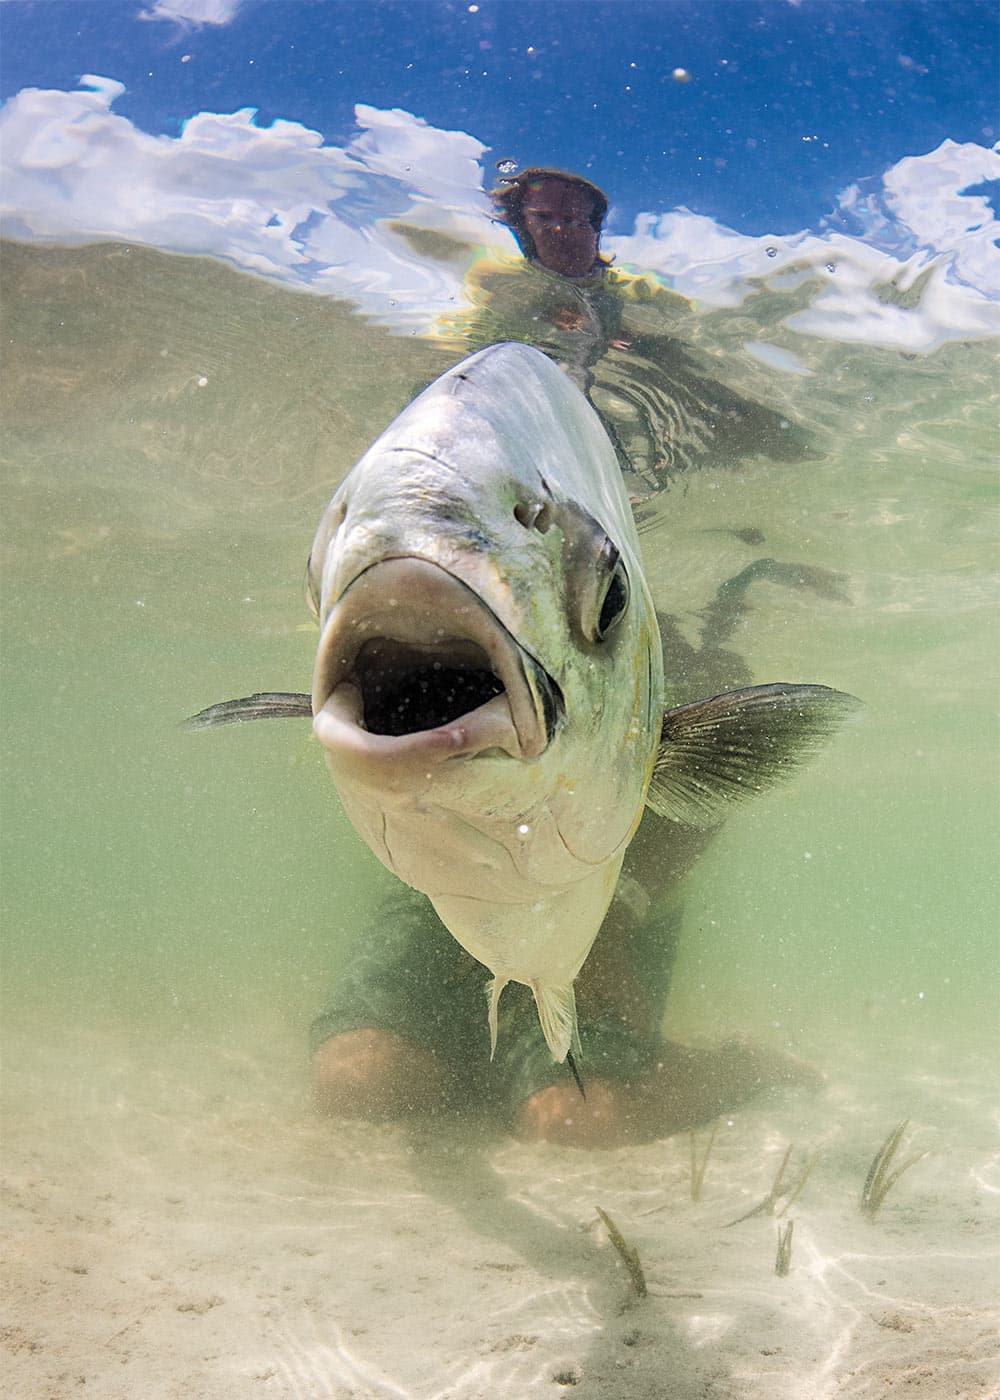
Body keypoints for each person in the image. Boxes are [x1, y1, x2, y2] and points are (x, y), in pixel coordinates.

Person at [309, 171, 826, 1147]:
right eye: (537, 209)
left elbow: (687, 800)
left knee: (573, 1117)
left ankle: (724, 1070)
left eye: (576, 209)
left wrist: (617, 911)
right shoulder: (471, 315)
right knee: (357, 1079)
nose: (559, 222)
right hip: (454, 865)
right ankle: (479, 1041)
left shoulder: (640, 334)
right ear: (514, 223)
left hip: (599, 894)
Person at [441, 168, 813, 497]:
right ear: (523, 226)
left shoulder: (634, 291)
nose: (558, 229)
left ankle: (765, 438)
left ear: (595, 230)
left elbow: (696, 328)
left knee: (688, 369)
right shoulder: (507, 285)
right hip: (526, 396)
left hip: (600, 388)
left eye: (574, 220)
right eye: (543, 217)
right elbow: (474, 350)